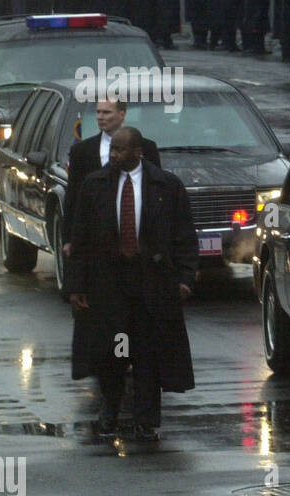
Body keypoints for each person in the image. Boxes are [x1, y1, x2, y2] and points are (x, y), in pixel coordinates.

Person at [66, 127, 197, 440]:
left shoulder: (166, 186)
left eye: (121, 150)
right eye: (112, 150)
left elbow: (184, 236)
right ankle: (109, 411)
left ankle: (145, 419)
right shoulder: (95, 185)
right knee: (111, 351)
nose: (114, 156)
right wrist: (76, 285)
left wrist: (185, 278)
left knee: (148, 354)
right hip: (108, 285)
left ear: (138, 152)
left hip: (151, 284)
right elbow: (79, 237)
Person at [62, 99, 161, 257]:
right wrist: (68, 239)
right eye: (98, 112)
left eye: (106, 112)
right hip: (96, 239)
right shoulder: (81, 151)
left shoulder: (146, 148)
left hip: (138, 238)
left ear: (122, 115)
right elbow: (73, 196)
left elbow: (157, 192)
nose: (100, 117)